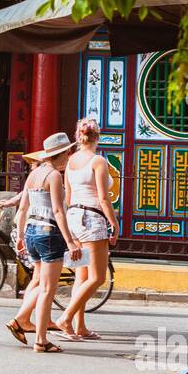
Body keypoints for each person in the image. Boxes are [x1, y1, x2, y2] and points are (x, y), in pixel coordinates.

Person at [5, 133, 82, 353]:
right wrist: (70, 241)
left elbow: (22, 209)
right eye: (68, 152)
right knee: (48, 288)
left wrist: (20, 236)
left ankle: (21, 320)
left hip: (31, 232)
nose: (69, 156)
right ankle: (41, 340)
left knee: (39, 283)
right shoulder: (54, 176)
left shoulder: (34, 174)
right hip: (49, 234)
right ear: (62, 154)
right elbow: (58, 211)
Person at [55, 117, 118, 340]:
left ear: (78, 137)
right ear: (97, 137)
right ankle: (66, 317)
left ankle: (79, 326)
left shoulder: (70, 161)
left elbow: (69, 196)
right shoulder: (98, 161)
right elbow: (103, 197)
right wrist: (114, 222)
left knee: (81, 276)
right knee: (98, 277)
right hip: (92, 219)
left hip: (74, 218)